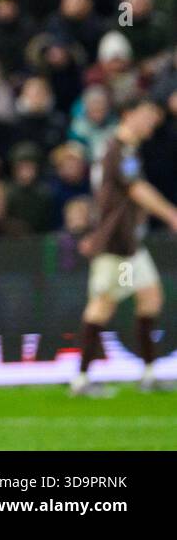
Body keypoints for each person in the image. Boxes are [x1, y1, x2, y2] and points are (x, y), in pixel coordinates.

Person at [71, 97, 177, 395]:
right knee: (102, 305)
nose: (151, 122)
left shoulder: (125, 150)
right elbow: (136, 189)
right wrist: (170, 213)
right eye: (146, 114)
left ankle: (149, 373)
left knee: (150, 296)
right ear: (127, 115)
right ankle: (81, 379)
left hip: (130, 243)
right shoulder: (117, 149)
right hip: (115, 243)